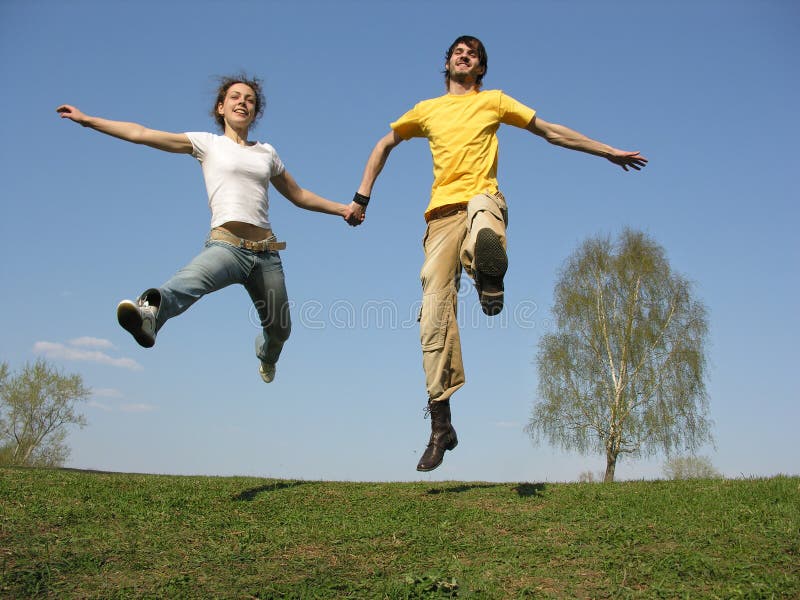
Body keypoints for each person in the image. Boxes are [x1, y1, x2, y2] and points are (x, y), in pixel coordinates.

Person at [350, 35, 647, 472]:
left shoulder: (494, 101)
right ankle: (441, 423)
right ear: (448, 62)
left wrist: (606, 151)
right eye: (458, 51)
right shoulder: (426, 110)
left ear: (480, 69)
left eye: (472, 54)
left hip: (481, 201)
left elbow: (549, 130)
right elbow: (383, 144)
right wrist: (362, 197)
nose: (463, 56)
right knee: (433, 313)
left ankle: (489, 276)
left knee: (485, 217)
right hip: (439, 219)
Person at [58, 75, 360, 384]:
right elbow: (141, 133)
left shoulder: (267, 153)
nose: (243, 102)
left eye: (250, 100)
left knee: (281, 329)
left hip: (266, 254)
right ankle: (150, 315)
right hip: (227, 247)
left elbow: (298, 195)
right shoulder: (207, 144)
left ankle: (267, 354)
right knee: (188, 282)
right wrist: (88, 120)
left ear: (255, 113)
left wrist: (342, 209)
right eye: (235, 97)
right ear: (221, 107)